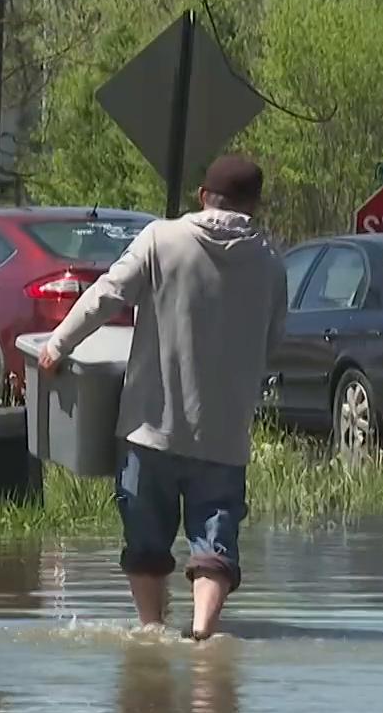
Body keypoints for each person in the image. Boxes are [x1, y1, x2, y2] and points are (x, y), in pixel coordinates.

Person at [38, 155, 288, 640]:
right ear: (254, 205)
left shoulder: (160, 240)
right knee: (214, 544)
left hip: (149, 429)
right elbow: (273, 343)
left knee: (146, 543)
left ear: (203, 196)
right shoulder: (271, 263)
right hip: (223, 437)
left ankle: (152, 635)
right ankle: (202, 637)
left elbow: (106, 296)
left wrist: (57, 345)